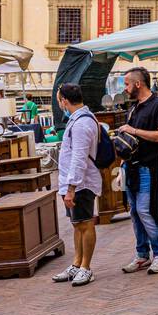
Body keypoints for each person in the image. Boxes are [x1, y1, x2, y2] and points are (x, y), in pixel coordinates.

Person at [118, 66, 158, 275]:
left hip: (148, 168)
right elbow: (128, 142)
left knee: (146, 211)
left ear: (138, 84)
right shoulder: (133, 108)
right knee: (134, 212)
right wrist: (121, 167)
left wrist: (133, 130)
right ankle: (142, 255)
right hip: (131, 168)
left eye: (126, 84)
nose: (125, 88)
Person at [51, 83, 102, 286]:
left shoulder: (82, 123)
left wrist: (72, 187)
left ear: (64, 101)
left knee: (86, 223)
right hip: (72, 184)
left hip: (82, 184)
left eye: (58, 100)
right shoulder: (77, 119)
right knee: (77, 225)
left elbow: (79, 157)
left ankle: (86, 267)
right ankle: (77, 263)